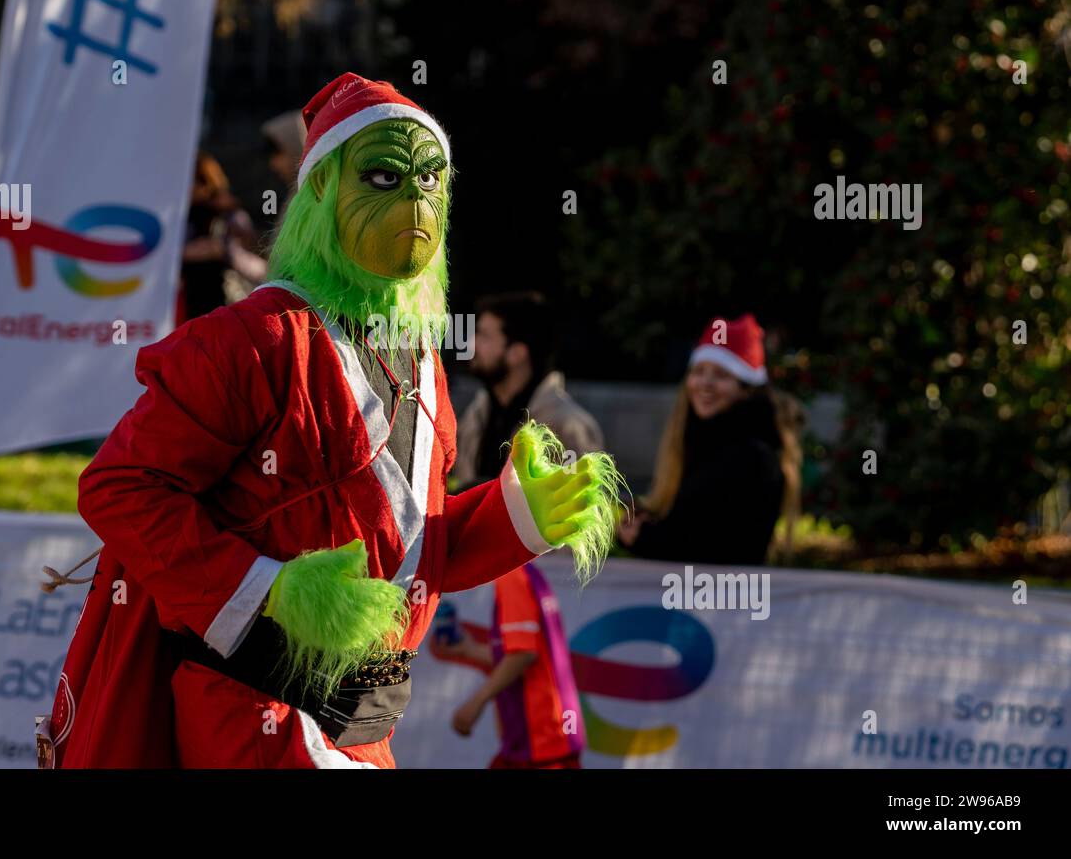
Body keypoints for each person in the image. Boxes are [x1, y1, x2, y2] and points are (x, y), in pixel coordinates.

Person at [44, 73, 622, 769]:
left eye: (432, 180)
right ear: (320, 191)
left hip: (364, 729)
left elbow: (415, 552)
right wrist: (271, 587)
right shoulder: (252, 339)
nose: (415, 200)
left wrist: (516, 517)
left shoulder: (422, 360)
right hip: (254, 714)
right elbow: (120, 485)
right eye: (383, 175)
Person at [616, 313, 802, 566]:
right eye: (699, 371)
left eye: (721, 375)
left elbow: (724, 548)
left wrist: (646, 538)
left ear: (746, 389)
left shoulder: (755, 457)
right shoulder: (695, 442)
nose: (705, 383)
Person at [438, 559, 585, 768]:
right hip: (548, 733)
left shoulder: (511, 574)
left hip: (542, 737)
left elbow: (523, 654)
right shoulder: (529, 571)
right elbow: (525, 653)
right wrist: (468, 650)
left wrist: (475, 702)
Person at [453, 291, 604, 491]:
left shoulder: (567, 427)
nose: (471, 344)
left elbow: (584, 512)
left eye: (484, 336)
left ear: (517, 353)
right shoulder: (476, 415)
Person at [180, 153, 267, 319]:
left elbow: (253, 255)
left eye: (193, 181)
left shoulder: (228, 214)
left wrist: (224, 249)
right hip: (190, 301)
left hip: (226, 298)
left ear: (206, 182)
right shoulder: (182, 215)